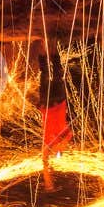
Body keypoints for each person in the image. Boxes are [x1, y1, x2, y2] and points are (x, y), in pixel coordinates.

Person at [31, 36, 72, 190]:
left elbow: (44, 162)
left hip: (46, 103)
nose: (58, 153)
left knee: (45, 73)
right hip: (60, 100)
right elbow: (69, 133)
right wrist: (61, 144)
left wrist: (48, 182)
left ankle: (42, 43)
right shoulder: (65, 138)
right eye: (60, 153)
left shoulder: (47, 146)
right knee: (57, 70)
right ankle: (53, 43)